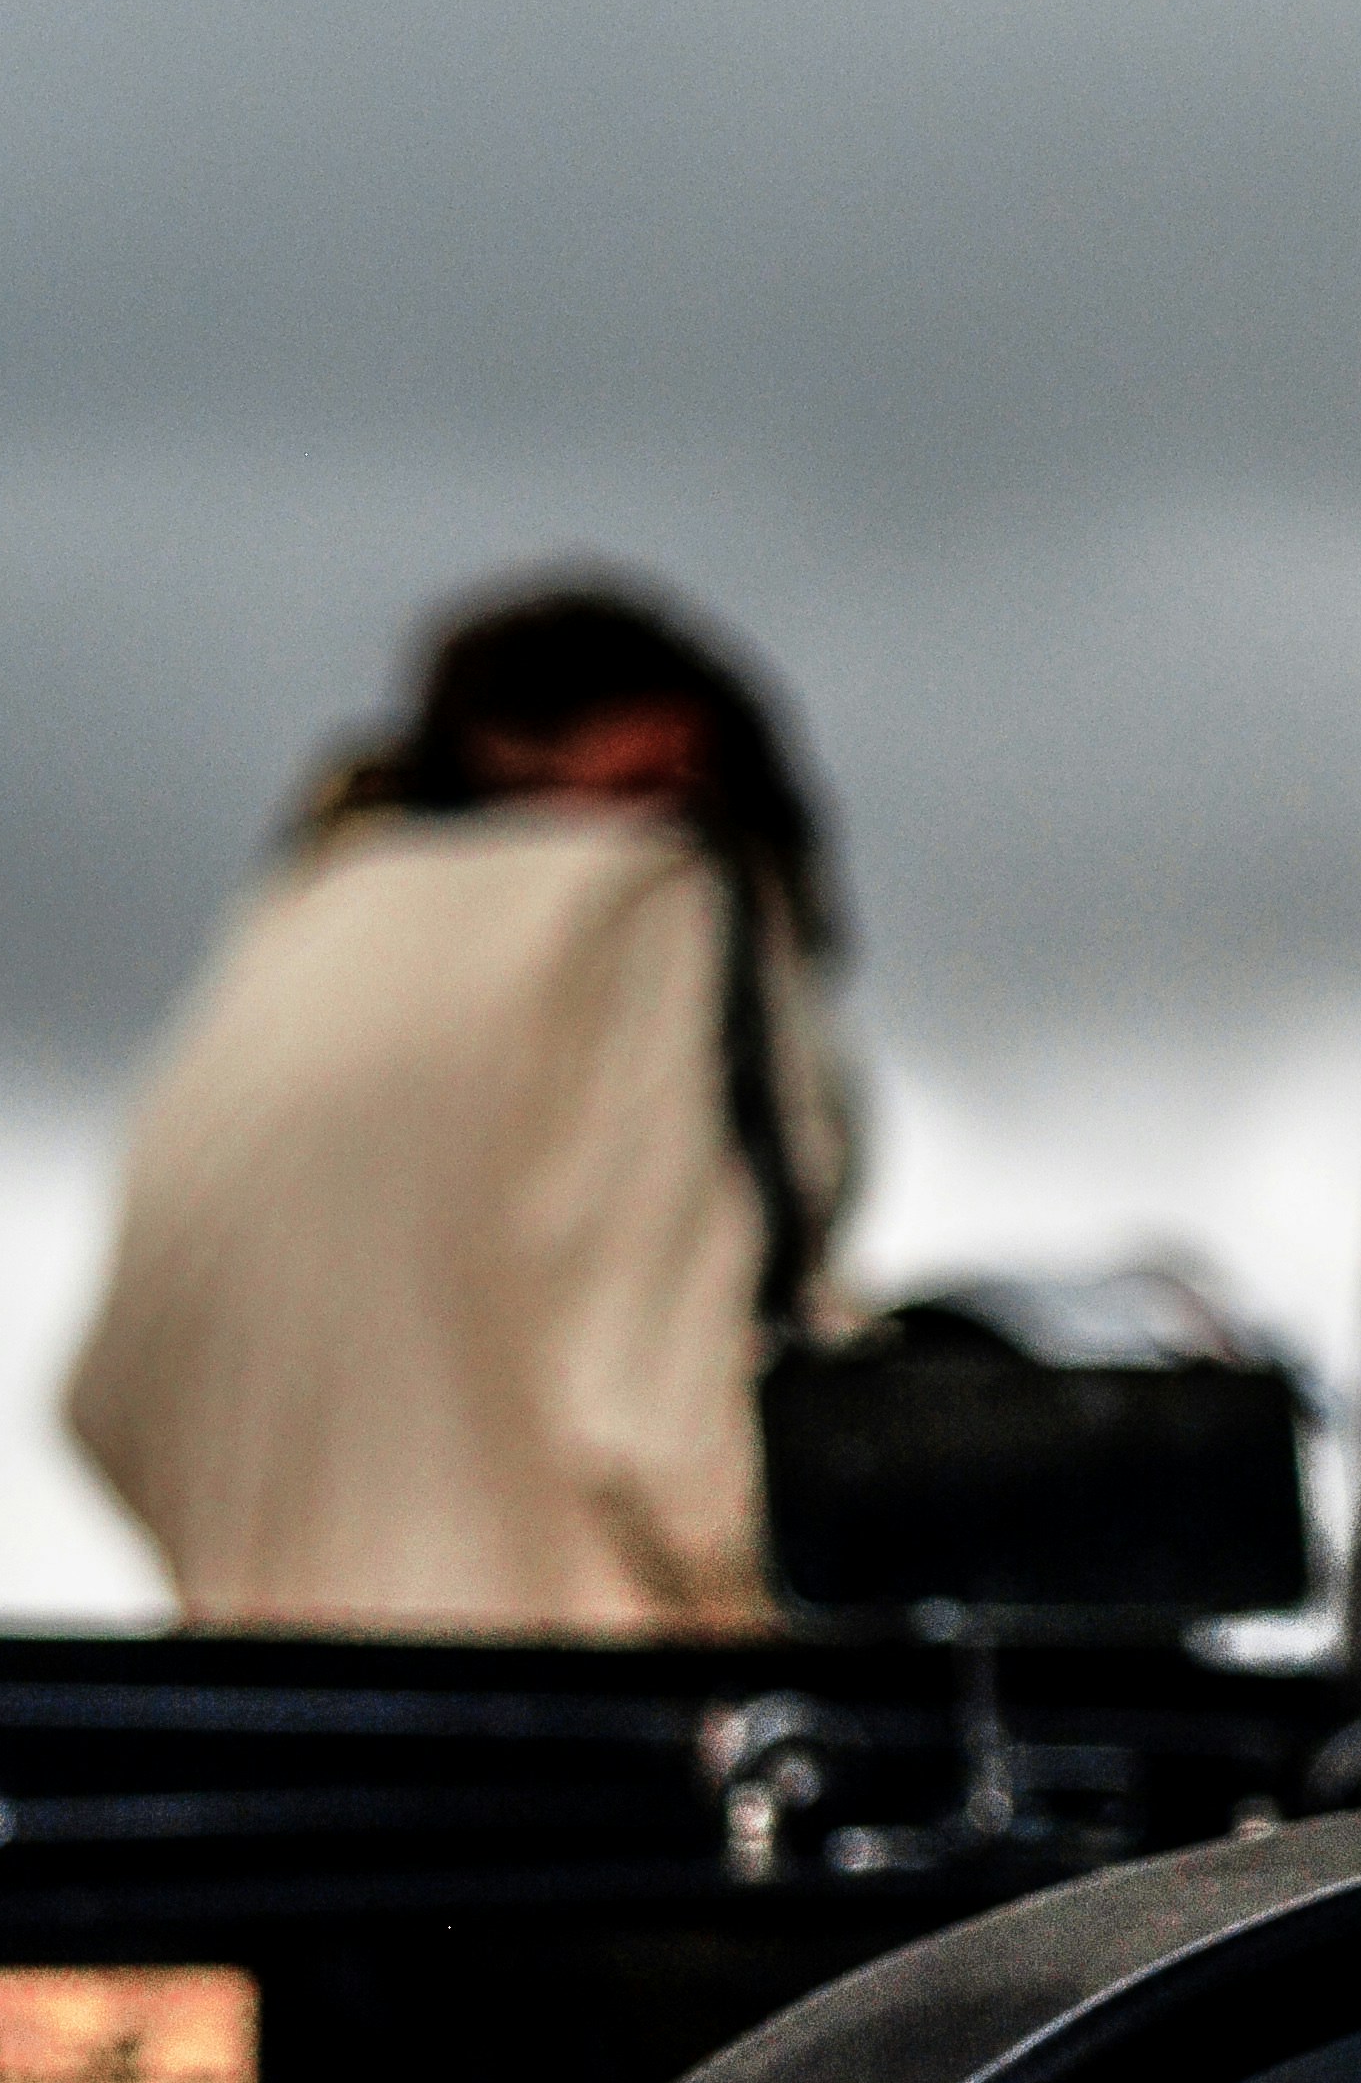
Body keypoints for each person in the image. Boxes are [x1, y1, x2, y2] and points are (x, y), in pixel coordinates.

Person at [66, 580, 853, 1632]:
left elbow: (109, 1397)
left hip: (259, 1673)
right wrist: (791, 1636)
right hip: (562, 1687)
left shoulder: (307, 913)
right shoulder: (654, 899)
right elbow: (660, 1389)